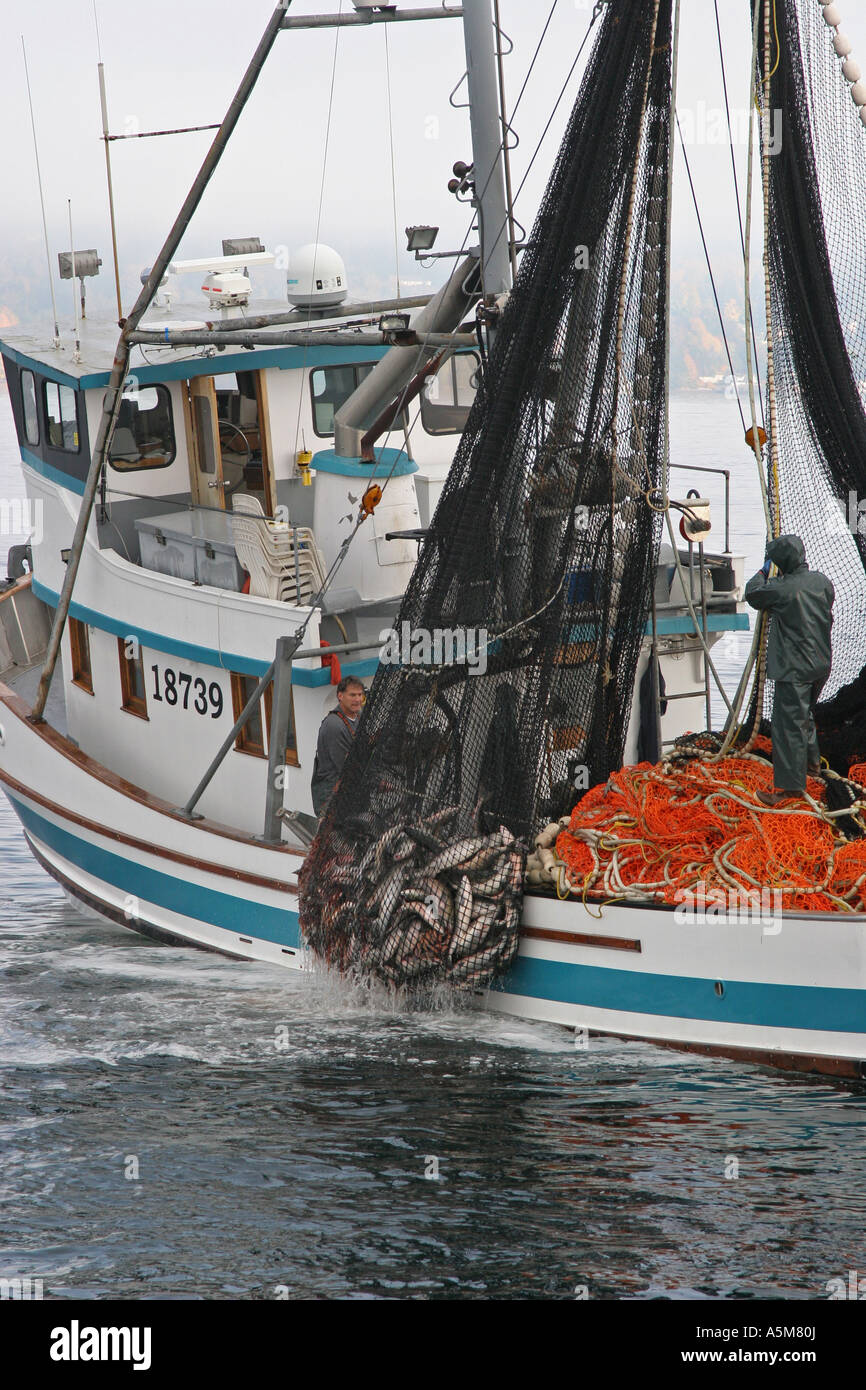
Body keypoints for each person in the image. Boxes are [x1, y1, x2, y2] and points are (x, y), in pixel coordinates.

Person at [744, 534, 834, 806]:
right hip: (820, 663)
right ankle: (811, 766)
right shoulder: (822, 581)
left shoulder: (781, 589)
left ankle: (789, 790)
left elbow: (752, 592)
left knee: (787, 726)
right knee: (803, 715)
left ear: (780, 561)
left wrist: (764, 569)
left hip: (794, 668)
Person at [310, 675, 365, 816]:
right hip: (333, 797)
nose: (358, 699)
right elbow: (346, 766)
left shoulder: (359, 715)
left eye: (360, 694)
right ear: (340, 696)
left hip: (352, 789)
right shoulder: (334, 726)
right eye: (352, 695)